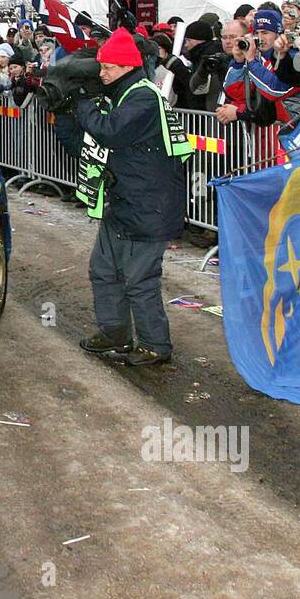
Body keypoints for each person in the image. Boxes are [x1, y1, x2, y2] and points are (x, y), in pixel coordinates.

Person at [72, 28, 190, 366]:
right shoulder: (123, 93)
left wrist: (81, 105)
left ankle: (155, 345)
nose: (102, 73)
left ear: (126, 67)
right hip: (123, 202)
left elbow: (111, 132)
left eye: (108, 67)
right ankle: (115, 332)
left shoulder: (142, 97)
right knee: (103, 269)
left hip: (148, 207)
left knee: (140, 279)